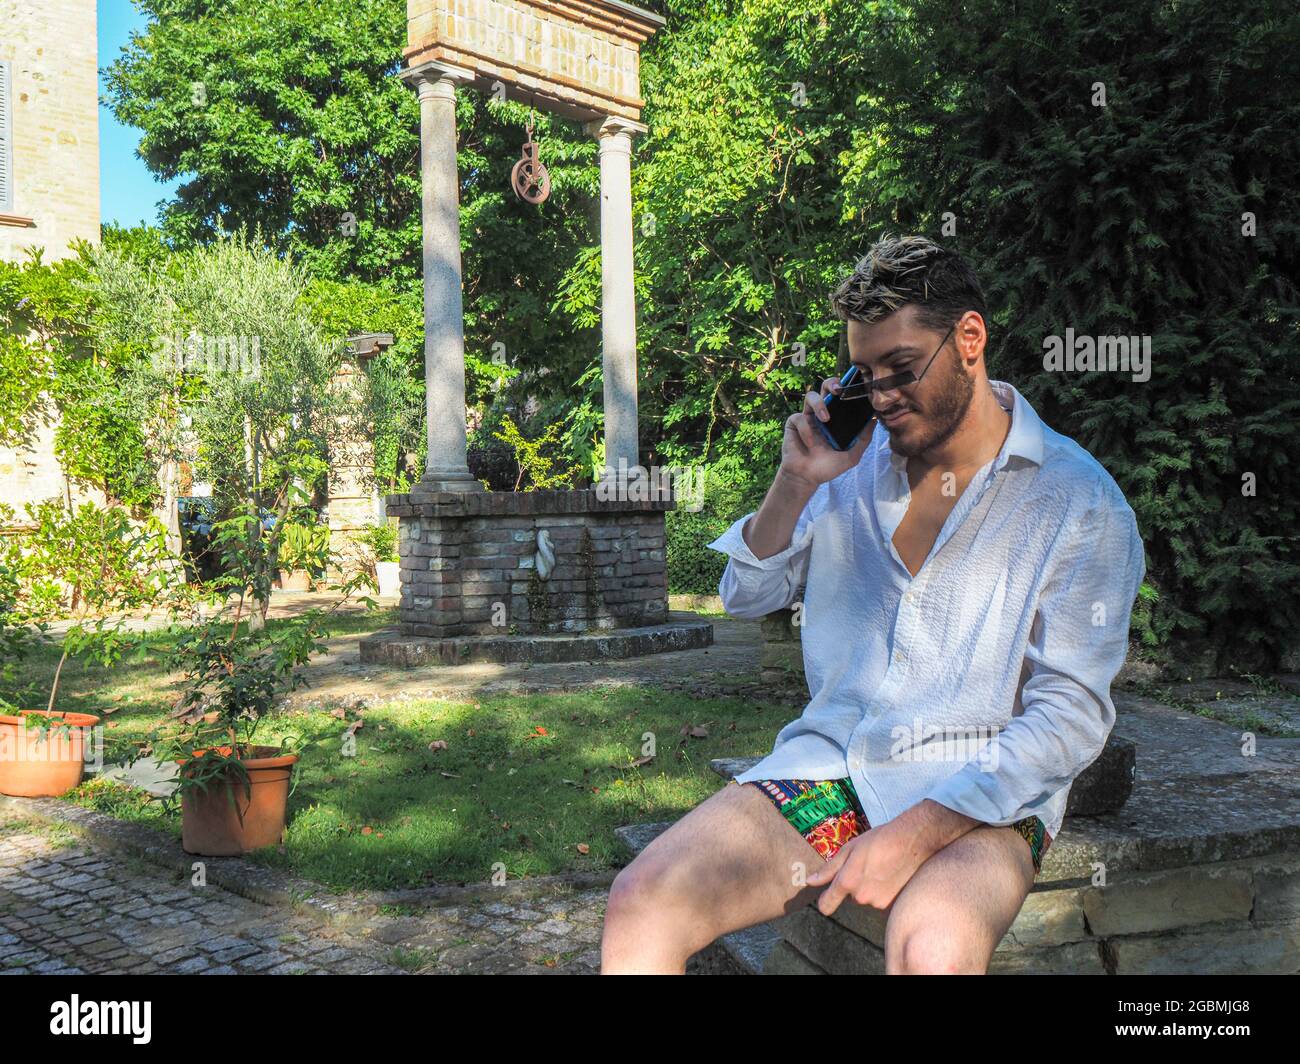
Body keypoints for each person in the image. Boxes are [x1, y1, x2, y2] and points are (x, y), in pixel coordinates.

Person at [600, 234, 1146, 975]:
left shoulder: (1078, 501)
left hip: (985, 789)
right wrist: (797, 480)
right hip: (838, 768)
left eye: (901, 368)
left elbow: (1069, 716)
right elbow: (745, 594)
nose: (882, 395)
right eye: (864, 374)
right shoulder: (846, 473)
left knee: (933, 949)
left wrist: (917, 834)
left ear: (970, 338)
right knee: (643, 897)